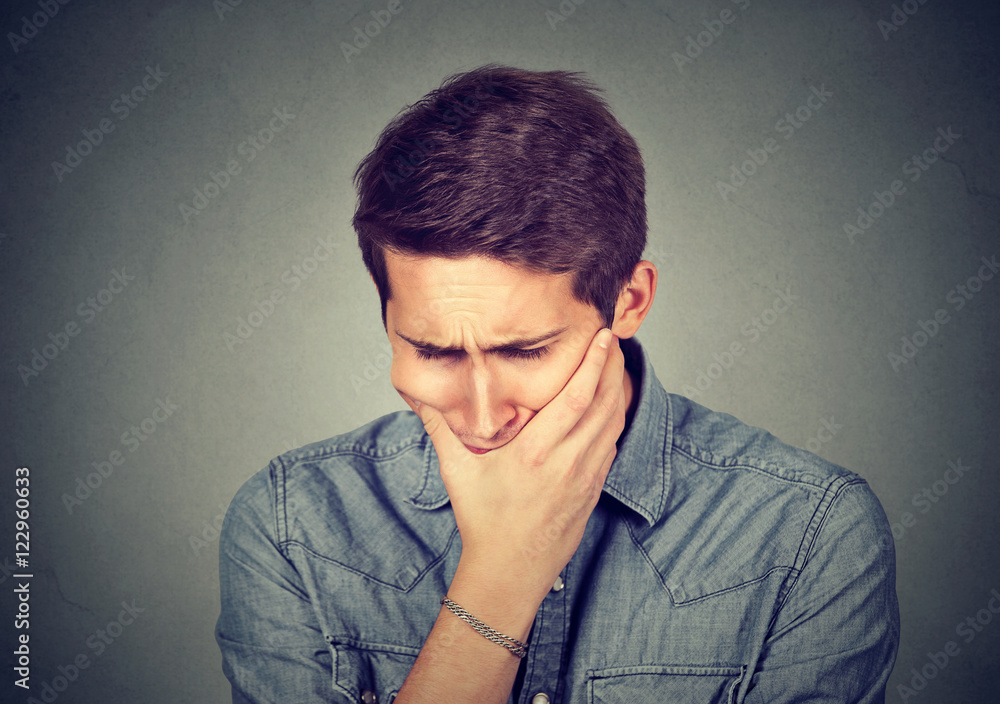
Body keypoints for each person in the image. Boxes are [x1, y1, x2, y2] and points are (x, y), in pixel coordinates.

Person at [216, 64, 899, 703]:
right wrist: (500, 578)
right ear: (382, 300)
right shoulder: (290, 526)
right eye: (432, 351)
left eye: (527, 352)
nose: (482, 419)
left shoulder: (810, 535)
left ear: (629, 301)